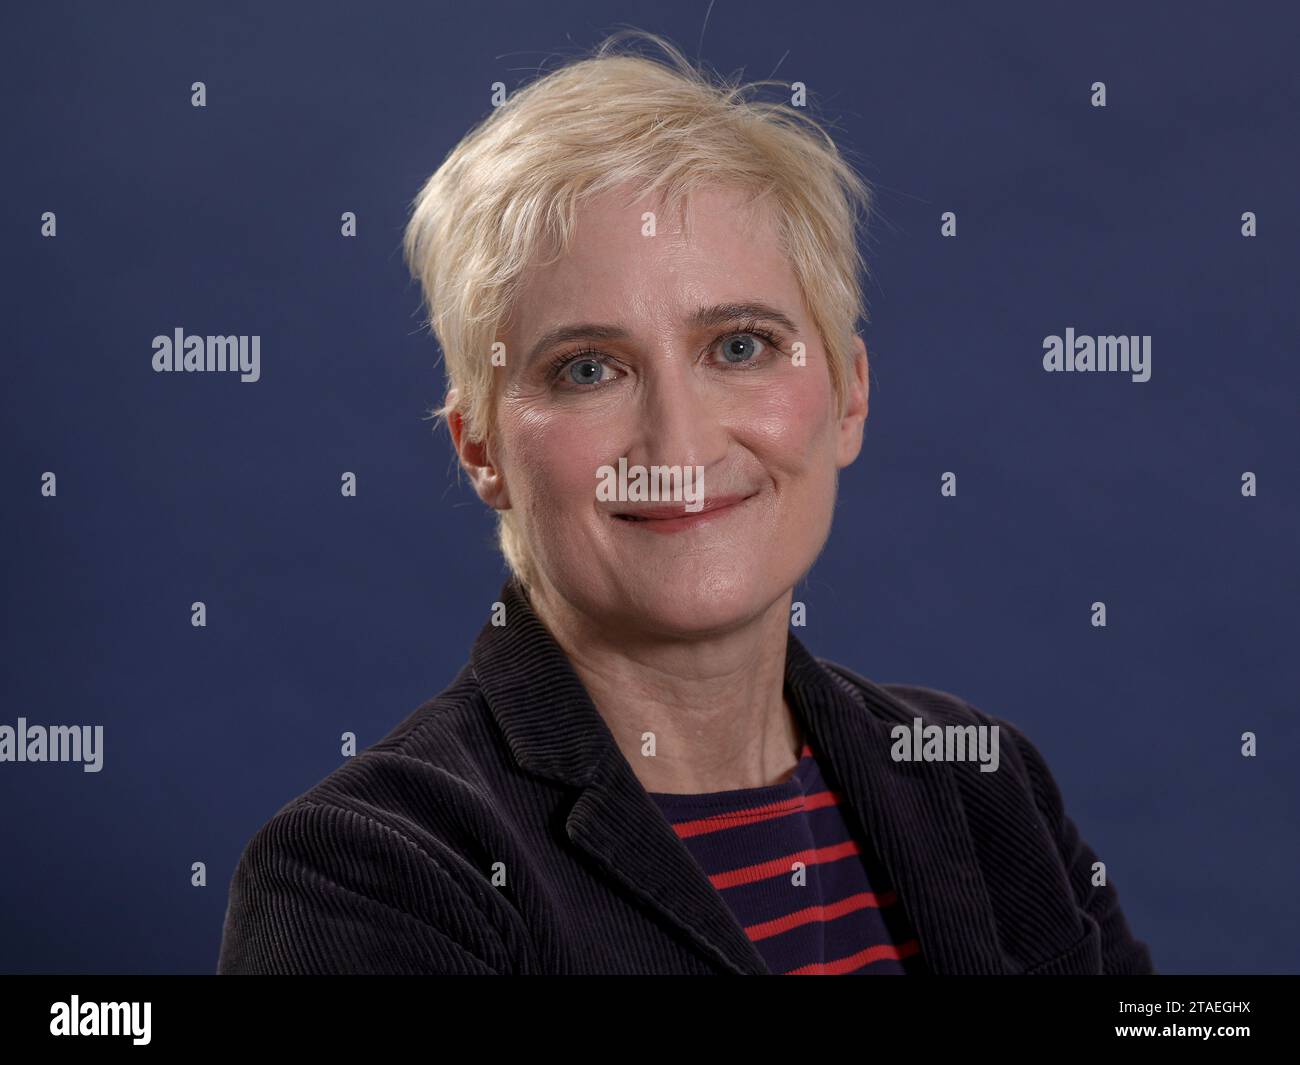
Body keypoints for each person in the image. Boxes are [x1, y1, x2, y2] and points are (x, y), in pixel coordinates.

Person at [217, 30, 1154, 975]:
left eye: (740, 346)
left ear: (849, 395)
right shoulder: (363, 877)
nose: (681, 445)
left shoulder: (980, 778)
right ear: (481, 447)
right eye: (588, 368)